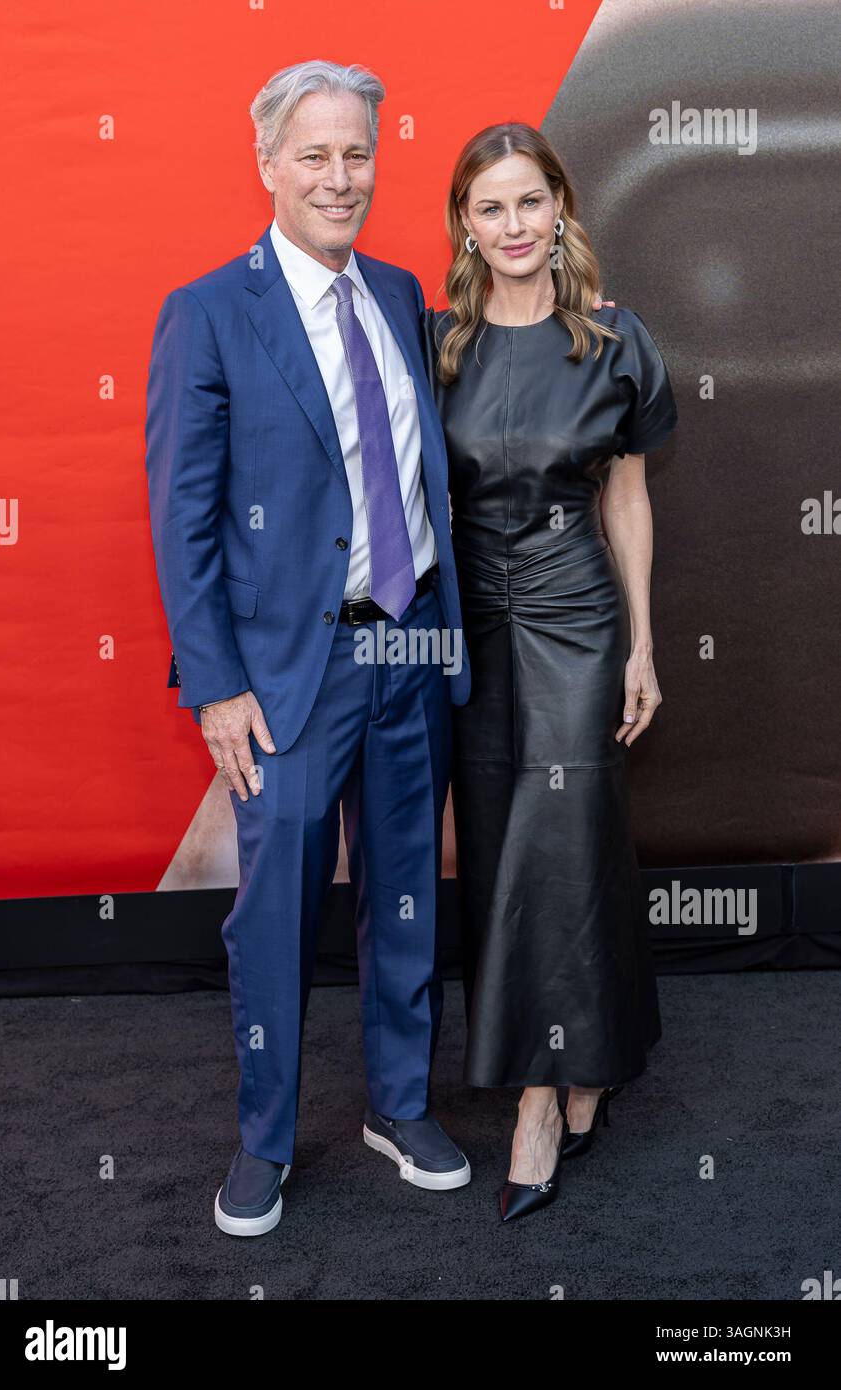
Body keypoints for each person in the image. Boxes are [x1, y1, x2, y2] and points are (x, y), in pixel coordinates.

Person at [144, 60, 474, 1236]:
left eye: (359, 154)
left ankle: (397, 1104)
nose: (342, 177)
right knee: (276, 903)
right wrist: (216, 684)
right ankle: (266, 1137)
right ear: (268, 166)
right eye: (317, 155)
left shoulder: (397, 294)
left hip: (408, 644)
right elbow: (181, 516)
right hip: (286, 671)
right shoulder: (207, 311)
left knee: (403, 892)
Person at [422, 123, 677, 1223]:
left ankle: (535, 1098)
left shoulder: (615, 342)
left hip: (574, 618)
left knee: (558, 839)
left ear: (560, 208)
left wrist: (643, 641)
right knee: (495, 846)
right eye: (490, 209)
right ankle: (585, 1061)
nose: (514, 226)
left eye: (530, 203)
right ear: (464, 228)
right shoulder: (437, 345)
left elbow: (624, 494)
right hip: (471, 625)